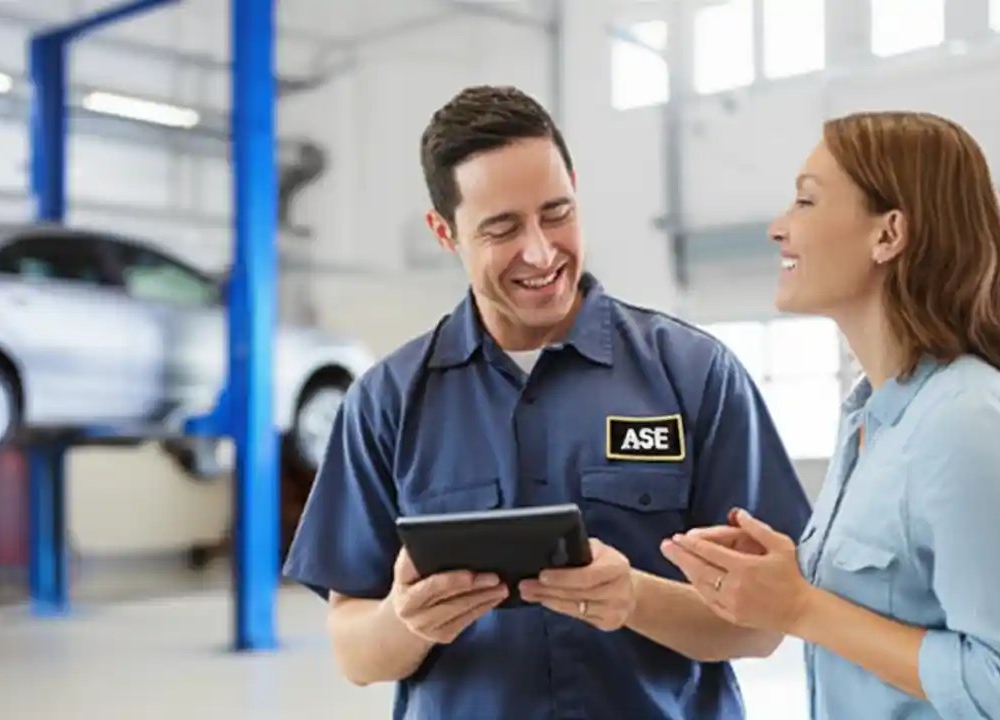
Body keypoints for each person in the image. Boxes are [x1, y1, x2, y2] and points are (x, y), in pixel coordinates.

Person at [281, 84, 813, 719]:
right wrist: (405, 621)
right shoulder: (386, 403)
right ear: (445, 232)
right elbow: (354, 651)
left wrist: (636, 598)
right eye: (502, 228)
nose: (539, 251)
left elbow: (762, 628)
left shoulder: (696, 376)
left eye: (556, 213)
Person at [661, 111, 1000, 719]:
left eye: (806, 201)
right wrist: (794, 575)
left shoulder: (968, 421)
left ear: (888, 235)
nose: (778, 228)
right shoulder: (873, 416)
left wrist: (800, 606)